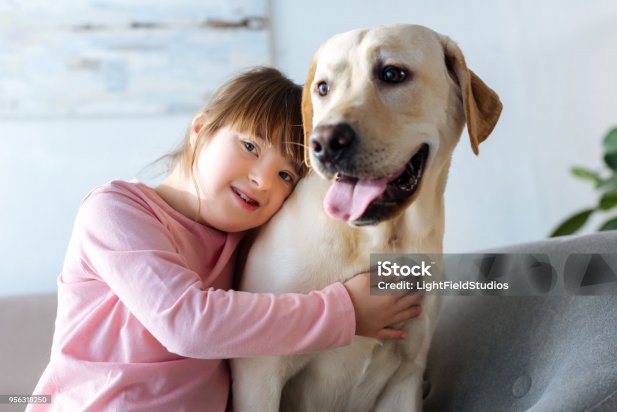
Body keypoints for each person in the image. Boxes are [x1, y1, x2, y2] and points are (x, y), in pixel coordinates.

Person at [29, 67, 423, 411]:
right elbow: (188, 324)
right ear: (200, 130)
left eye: (286, 175)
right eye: (250, 146)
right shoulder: (116, 210)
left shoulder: (247, 243)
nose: (263, 180)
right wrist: (345, 312)